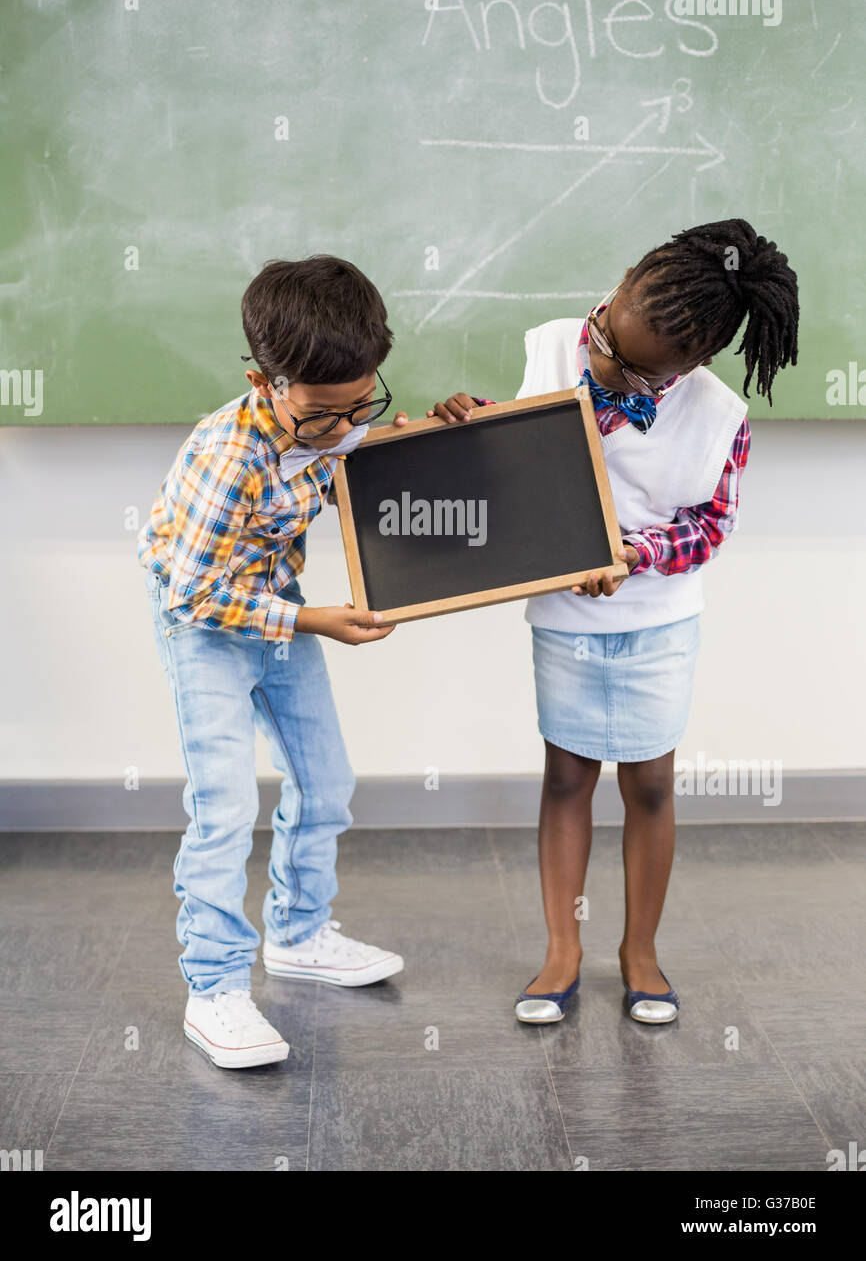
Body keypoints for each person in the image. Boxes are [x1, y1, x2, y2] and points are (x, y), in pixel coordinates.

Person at [429, 219, 799, 1025]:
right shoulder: (556, 343)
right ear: (623, 281)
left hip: (659, 621)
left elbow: (709, 526)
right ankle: (563, 950)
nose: (598, 357)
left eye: (626, 365)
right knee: (566, 777)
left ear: (692, 362)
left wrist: (634, 553)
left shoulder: (718, 415)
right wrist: (473, 420)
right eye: (605, 330)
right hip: (562, 614)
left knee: (652, 783)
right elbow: (527, 444)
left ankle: (640, 952)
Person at [138, 256, 406, 1068]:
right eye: (330, 415)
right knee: (222, 807)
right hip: (206, 622)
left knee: (325, 780)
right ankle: (215, 988)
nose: (350, 425)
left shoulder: (333, 415)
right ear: (265, 381)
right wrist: (312, 619)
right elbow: (192, 595)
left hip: (278, 604)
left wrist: (434, 432)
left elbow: (357, 459)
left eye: (367, 402)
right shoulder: (230, 457)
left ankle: (297, 933)